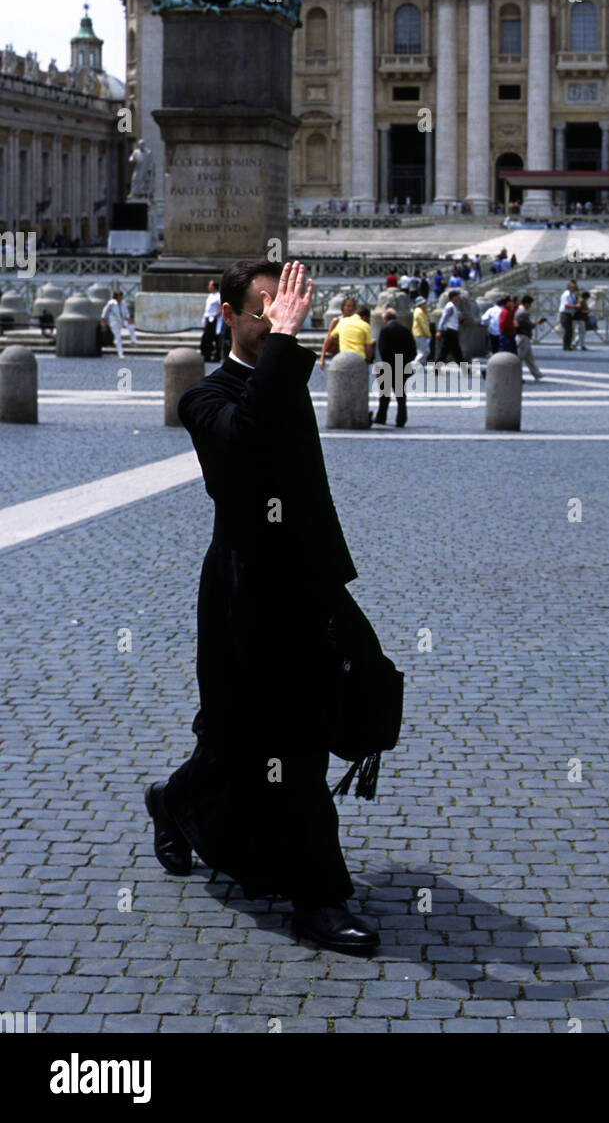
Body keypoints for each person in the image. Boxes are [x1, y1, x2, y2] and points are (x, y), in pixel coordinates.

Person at [147, 259, 380, 954]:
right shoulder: (205, 398)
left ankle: (175, 798)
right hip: (244, 595)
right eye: (267, 311)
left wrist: (331, 588)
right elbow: (240, 445)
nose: (284, 321)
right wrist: (282, 344)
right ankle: (318, 900)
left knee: (259, 740)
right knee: (284, 745)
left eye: (289, 311)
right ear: (228, 316)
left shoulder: (280, 383)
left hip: (303, 584)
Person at [374, 307, 417, 427]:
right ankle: (401, 419)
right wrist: (406, 361)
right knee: (401, 396)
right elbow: (413, 349)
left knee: (384, 395)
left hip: (387, 366)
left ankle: (381, 417)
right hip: (401, 364)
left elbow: (382, 350)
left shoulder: (384, 330)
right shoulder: (405, 330)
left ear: (385, 318)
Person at [319, 295, 356, 370]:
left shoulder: (357, 321)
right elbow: (328, 338)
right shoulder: (336, 320)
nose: (350, 308)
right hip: (338, 351)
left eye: (352, 306)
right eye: (348, 306)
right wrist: (322, 357)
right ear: (343, 307)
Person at [514, 295, 544, 381]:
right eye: (530, 304)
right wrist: (537, 323)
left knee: (529, 357)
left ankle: (537, 374)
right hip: (523, 336)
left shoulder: (519, 311)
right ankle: (517, 375)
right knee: (520, 357)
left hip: (522, 336)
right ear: (527, 303)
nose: (530, 306)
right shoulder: (523, 313)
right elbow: (529, 325)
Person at [100, 289, 136, 359]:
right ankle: (120, 353)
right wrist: (103, 319)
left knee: (131, 326)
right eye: (121, 296)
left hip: (122, 320)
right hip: (114, 322)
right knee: (118, 337)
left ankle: (133, 340)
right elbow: (105, 310)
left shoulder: (123, 303)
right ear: (117, 296)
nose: (122, 297)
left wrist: (128, 318)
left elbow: (126, 312)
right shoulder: (111, 303)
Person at [435, 289, 462, 365]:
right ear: (453, 297)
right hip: (450, 332)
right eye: (457, 296)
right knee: (455, 351)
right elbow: (443, 318)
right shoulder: (450, 306)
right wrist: (439, 330)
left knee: (449, 351)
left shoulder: (453, 306)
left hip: (451, 331)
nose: (458, 298)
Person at [200, 279, 222, 363]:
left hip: (214, 319)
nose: (208, 287)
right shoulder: (210, 296)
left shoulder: (218, 296)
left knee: (214, 338)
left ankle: (216, 355)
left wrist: (215, 317)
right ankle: (206, 354)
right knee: (206, 338)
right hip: (208, 318)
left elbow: (220, 308)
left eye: (210, 285)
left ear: (213, 286)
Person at [558, 280, 578, 350]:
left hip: (569, 314)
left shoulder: (572, 295)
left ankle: (568, 345)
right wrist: (575, 306)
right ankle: (565, 346)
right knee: (567, 330)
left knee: (570, 331)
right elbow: (566, 305)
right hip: (564, 314)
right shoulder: (565, 295)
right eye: (573, 287)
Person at [412, 295, 431, 365]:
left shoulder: (418, 311)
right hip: (420, 334)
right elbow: (424, 324)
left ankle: (422, 364)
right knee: (424, 351)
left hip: (419, 334)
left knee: (422, 351)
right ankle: (415, 363)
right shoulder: (419, 312)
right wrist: (428, 334)